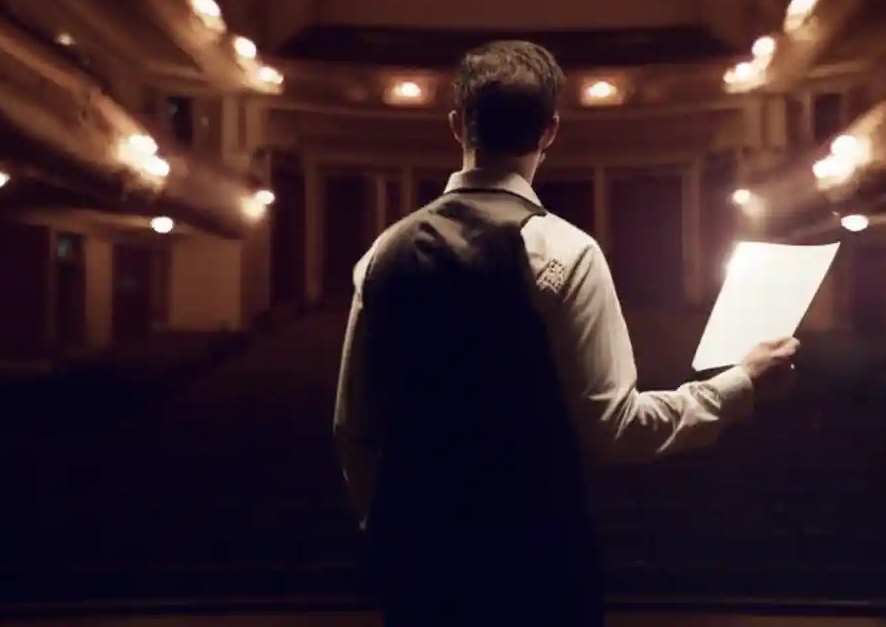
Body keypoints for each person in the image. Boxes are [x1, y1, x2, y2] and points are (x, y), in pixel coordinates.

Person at [333, 40, 799, 626]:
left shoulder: (382, 254)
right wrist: (739, 383)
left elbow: (354, 428)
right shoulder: (566, 253)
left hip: (419, 571)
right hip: (536, 566)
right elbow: (616, 429)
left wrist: (392, 531)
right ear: (550, 131)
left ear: (456, 125)